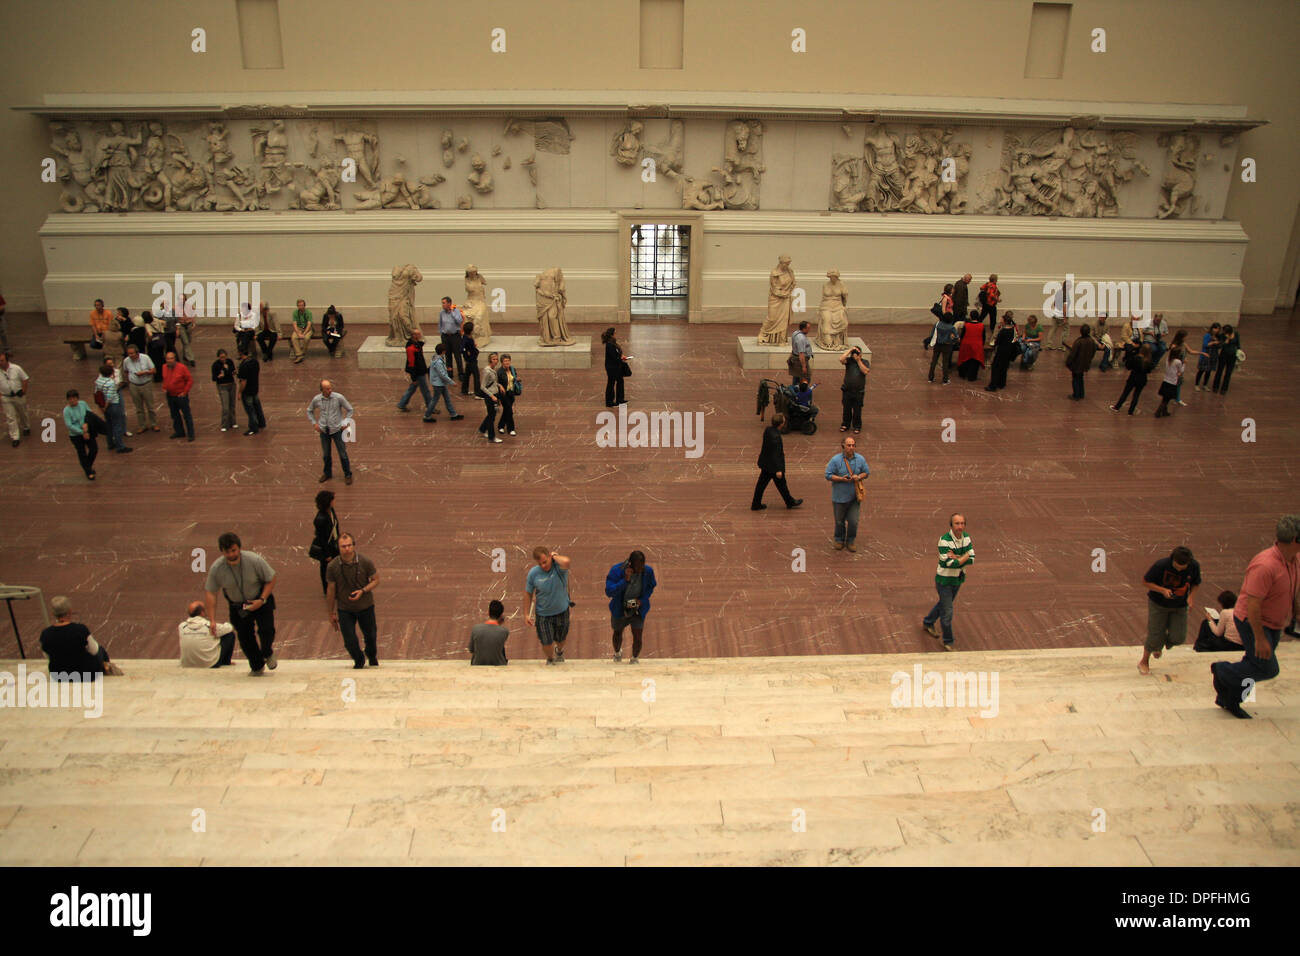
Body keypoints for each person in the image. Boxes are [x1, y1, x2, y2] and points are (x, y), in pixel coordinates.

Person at [1212, 515, 1300, 718]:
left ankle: (1231, 700)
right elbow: (1253, 606)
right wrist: (1260, 638)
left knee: (1254, 664)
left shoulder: (1295, 560)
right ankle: (1222, 670)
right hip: (1254, 622)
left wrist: (1295, 613)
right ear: (1296, 539)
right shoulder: (1265, 565)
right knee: (1268, 668)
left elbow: (1293, 589)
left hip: (1275, 623)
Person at [204, 532, 278, 675]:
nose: (231, 555)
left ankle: (267, 652)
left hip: (259, 600)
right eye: (227, 552)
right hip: (238, 606)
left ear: (239, 548)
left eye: (234, 550)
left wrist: (261, 600)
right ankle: (257, 665)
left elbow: (271, 578)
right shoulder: (217, 568)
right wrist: (212, 619)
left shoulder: (254, 560)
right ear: (222, 551)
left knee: (267, 630)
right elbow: (211, 593)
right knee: (245, 638)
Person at [1138, 545, 1201, 675]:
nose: (1179, 569)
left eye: (1182, 567)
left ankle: (1161, 642)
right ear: (1172, 559)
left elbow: (1196, 583)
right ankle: (1144, 661)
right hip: (1158, 604)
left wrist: (1191, 597)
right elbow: (1145, 582)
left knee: (1179, 637)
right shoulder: (1161, 565)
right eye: (1176, 566)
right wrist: (1162, 590)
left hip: (1180, 606)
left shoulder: (1194, 566)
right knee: (1154, 634)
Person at [325, 532, 380, 668]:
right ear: (338, 548)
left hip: (365, 606)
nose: (347, 549)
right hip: (345, 609)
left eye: (349, 545)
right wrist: (331, 613)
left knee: (371, 636)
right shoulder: (332, 566)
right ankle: (359, 660)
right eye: (343, 546)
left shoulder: (365, 561)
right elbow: (331, 590)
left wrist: (363, 591)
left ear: (354, 546)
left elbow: (376, 580)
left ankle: (371, 655)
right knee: (349, 640)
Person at [922, 513, 974, 651]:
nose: (960, 526)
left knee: (944, 604)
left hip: (957, 580)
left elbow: (972, 558)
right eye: (957, 523)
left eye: (962, 523)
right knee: (948, 611)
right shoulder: (944, 540)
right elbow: (950, 563)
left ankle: (928, 622)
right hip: (944, 581)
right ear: (951, 525)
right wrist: (964, 556)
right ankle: (948, 641)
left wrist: (958, 557)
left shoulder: (966, 538)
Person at [40, 596, 122, 677]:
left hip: (58, 675)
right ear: (70, 611)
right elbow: (94, 650)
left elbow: (47, 655)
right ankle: (106, 666)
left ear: (53, 613)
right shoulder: (80, 630)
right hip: (84, 674)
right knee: (101, 650)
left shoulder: (46, 633)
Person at [605, 550, 658, 663]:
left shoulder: (647, 571)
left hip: (637, 608)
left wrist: (642, 600)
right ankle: (617, 653)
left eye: (642, 566)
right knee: (617, 632)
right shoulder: (616, 571)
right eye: (638, 567)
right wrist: (625, 580)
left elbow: (651, 586)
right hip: (619, 608)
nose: (641, 569)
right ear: (630, 564)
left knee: (638, 636)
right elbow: (609, 592)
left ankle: (634, 659)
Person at [524, 547, 572, 665]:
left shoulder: (559, 568)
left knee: (561, 640)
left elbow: (566, 561)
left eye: (545, 562)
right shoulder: (533, 573)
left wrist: (555, 557)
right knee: (546, 642)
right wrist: (526, 614)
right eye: (540, 564)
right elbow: (528, 593)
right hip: (543, 615)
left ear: (550, 557)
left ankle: (559, 651)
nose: (543, 566)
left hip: (562, 611)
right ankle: (550, 659)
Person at [824, 436, 869, 552]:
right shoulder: (835, 460)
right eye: (849, 445)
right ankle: (839, 539)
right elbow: (828, 475)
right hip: (839, 497)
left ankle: (850, 540)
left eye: (853, 445)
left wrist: (858, 476)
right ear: (843, 446)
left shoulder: (860, 459)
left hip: (854, 497)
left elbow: (866, 472)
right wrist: (840, 479)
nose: (851, 448)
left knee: (853, 521)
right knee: (839, 521)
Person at [307, 379, 354, 484]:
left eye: (330, 388)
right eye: (327, 389)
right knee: (326, 454)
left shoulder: (338, 398)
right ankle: (327, 473)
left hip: (337, 430)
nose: (330, 390)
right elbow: (309, 410)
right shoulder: (317, 399)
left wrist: (345, 422)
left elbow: (350, 409)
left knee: (342, 453)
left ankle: (348, 474)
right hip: (324, 430)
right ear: (322, 390)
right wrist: (314, 423)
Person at [752, 412, 803, 510]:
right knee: (781, 484)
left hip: (766, 463)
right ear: (781, 424)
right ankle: (789, 502)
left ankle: (756, 503)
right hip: (773, 466)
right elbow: (776, 454)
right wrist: (779, 469)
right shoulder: (776, 437)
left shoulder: (768, 430)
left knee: (762, 485)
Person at [179, 600, 235, 668]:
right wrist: (225, 624)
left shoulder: (182, 626)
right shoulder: (208, 626)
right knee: (230, 635)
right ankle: (226, 662)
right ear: (202, 613)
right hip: (210, 664)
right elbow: (229, 628)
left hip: (187, 664)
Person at [93, 360, 131, 453]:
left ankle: (110, 443)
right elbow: (110, 397)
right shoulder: (111, 383)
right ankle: (120, 446)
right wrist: (105, 407)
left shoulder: (98, 381)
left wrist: (101, 407)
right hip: (113, 405)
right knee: (117, 425)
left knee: (109, 425)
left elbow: (96, 393)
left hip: (103, 405)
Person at [63, 389, 99, 480]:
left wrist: (86, 425)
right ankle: (88, 472)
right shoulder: (66, 411)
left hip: (87, 430)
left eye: (74, 398)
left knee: (94, 449)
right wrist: (82, 432)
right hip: (76, 435)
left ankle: (87, 466)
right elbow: (69, 425)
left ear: (77, 398)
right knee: (82, 452)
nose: (72, 401)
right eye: (70, 399)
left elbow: (89, 414)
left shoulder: (83, 404)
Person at [122, 344, 159, 433]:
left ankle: (154, 424)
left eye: (132, 353)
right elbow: (126, 371)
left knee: (150, 406)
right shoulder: (126, 361)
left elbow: (154, 370)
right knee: (138, 408)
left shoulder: (145, 358)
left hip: (146, 384)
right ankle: (142, 425)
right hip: (134, 386)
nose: (130, 355)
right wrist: (130, 381)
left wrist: (145, 372)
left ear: (137, 353)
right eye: (129, 354)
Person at [1111, 342, 1155, 415]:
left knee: (1126, 393)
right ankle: (1131, 411)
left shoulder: (1136, 358)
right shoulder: (1149, 360)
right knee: (1136, 395)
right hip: (1142, 379)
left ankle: (1117, 407)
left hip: (1133, 377)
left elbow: (1128, 366)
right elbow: (1149, 370)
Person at [396, 328, 433, 415]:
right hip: (418, 372)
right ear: (414, 336)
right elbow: (411, 363)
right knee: (425, 390)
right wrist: (414, 377)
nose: (420, 335)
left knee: (412, 388)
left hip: (419, 371)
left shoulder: (417, 345)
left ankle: (402, 403)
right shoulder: (411, 348)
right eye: (418, 334)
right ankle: (431, 407)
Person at [311, 489, 340, 595]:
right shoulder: (320, 519)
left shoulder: (331, 511)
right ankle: (327, 589)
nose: (334, 501)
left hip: (334, 544)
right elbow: (321, 538)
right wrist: (327, 554)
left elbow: (336, 526)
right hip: (326, 548)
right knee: (326, 568)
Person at [162, 351, 195, 441]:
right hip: (170, 395)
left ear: (175, 359)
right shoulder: (164, 367)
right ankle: (179, 431)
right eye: (168, 359)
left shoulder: (182, 367)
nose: (170, 360)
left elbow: (189, 380)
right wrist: (164, 387)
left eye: (171, 358)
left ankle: (191, 433)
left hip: (181, 396)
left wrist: (185, 392)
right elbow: (165, 379)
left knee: (186, 415)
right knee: (174, 415)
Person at [426, 343, 463, 423]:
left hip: (440, 383)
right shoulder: (438, 362)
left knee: (447, 399)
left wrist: (446, 369)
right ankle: (427, 416)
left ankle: (453, 414)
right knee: (435, 400)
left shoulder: (435, 357)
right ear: (443, 351)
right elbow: (442, 374)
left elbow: (440, 370)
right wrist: (452, 382)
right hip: (438, 384)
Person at [0, 351, 30, 447]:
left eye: (2, 360)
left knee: (22, 412)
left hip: (18, 395)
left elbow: (25, 378)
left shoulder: (16, 368)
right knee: (11, 417)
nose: (0, 362)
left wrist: (23, 390)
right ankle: (15, 437)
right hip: (6, 397)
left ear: (7, 360)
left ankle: (26, 427)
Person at [468, 600, 510, 666]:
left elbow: (471, 649)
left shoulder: (476, 629)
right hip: (498, 664)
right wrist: (499, 624)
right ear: (501, 615)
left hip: (477, 664)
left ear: (488, 612)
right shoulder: (504, 631)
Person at [838, 346, 869, 433]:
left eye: (858, 354)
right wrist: (850, 350)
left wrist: (858, 360)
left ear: (861, 354)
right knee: (846, 409)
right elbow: (841, 359)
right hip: (847, 390)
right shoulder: (849, 361)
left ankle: (857, 426)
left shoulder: (865, 362)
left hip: (858, 392)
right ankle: (845, 424)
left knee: (857, 410)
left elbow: (865, 371)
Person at [985, 312, 1018, 391]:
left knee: (996, 368)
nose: (1000, 320)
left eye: (1001, 319)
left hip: (1001, 351)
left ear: (1004, 321)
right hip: (1008, 351)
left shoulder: (1003, 331)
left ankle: (993, 385)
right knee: (1004, 367)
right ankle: (1001, 383)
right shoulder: (1012, 329)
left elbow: (997, 342)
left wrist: (995, 343)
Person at [236, 346, 265, 436]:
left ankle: (253, 427)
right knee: (257, 406)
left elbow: (244, 381)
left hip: (247, 390)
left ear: (240, 353)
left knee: (250, 410)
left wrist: (240, 392)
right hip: (255, 388)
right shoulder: (255, 362)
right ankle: (261, 423)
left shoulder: (243, 365)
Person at [1064, 323, 1097, 400]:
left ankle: (1076, 395)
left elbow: (1073, 354)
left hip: (1077, 364)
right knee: (1081, 378)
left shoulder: (1079, 342)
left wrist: (1068, 362)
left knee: (1075, 379)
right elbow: (1093, 352)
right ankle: (1081, 394)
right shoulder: (1091, 341)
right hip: (1085, 363)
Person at [438, 296, 466, 383]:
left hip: (455, 336)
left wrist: (452, 312)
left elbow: (459, 321)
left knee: (457, 355)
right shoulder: (442, 313)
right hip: (445, 336)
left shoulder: (456, 311)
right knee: (447, 355)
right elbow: (440, 324)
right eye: (442, 303)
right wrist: (441, 333)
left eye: (444, 303)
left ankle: (461, 373)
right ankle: (449, 372)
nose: (443, 305)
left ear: (449, 303)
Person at [1153, 345, 1185, 418]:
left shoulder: (1168, 359)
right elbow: (1181, 370)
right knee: (1166, 400)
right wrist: (1185, 364)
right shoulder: (1178, 361)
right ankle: (1158, 411)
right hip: (1172, 382)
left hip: (1166, 381)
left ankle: (1164, 411)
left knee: (1165, 398)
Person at [478, 351, 503, 442]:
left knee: (491, 415)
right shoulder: (487, 371)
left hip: (495, 394)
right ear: (490, 360)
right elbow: (483, 386)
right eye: (493, 359)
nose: (495, 361)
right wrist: (491, 396)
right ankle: (491, 437)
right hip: (490, 396)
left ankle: (482, 428)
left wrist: (499, 385)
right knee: (491, 417)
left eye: (496, 359)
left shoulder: (493, 370)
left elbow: (492, 382)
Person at [927, 311, 957, 385]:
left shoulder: (937, 324)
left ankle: (930, 377)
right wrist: (952, 341)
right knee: (945, 362)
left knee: (934, 361)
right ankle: (945, 379)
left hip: (937, 344)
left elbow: (932, 334)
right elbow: (956, 337)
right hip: (947, 345)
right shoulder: (951, 327)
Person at [602, 327, 630, 406]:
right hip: (612, 368)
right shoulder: (609, 344)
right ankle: (609, 402)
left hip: (617, 366)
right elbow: (613, 357)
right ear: (612, 334)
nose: (616, 334)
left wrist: (621, 356)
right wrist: (621, 357)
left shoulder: (613, 342)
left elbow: (616, 353)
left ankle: (620, 399)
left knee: (620, 381)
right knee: (611, 383)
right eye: (615, 332)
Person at [956, 308, 985, 381]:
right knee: (975, 362)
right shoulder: (982, 325)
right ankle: (972, 377)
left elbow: (962, 335)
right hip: (977, 345)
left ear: (971, 317)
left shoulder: (967, 325)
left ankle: (963, 374)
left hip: (966, 345)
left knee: (965, 360)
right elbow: (983, 337)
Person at [212, 348, 237, 432]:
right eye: (221, 357)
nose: (223, 359)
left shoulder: (229, 362)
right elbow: (214, 378)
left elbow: (232, 371)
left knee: (232, 405)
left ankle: (233, 422)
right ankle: (224, 424)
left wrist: (230, 370)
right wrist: (218, 376)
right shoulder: (215, 365)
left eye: (224, 357)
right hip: (222, 386)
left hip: (231, 385)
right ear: (218, 357)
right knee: (225, 406)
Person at [1211, 324, 1240, 395]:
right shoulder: (1223, 336)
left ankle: (1224, 388)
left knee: (1228, 373)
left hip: (1232, 356)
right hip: (1224, 355)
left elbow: (1238, 344)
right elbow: (1220, 345)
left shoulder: (1236, 334)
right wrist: (1226, 341)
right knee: (1219, 371)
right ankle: (1215, 386)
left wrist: (1238, 353)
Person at [1193, 322, 1223, 391]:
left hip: (1213, 355)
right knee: (1201, 370)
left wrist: (1218, 343)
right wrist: (1213, 342)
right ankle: (1196, 384)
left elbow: (1220, 346)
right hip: (1206, 354)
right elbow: (1205, 344)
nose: (1216, 330)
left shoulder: (1218, 336)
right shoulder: (1207, 335)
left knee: (1208, 371)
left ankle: (1205, 385)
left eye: (1218, 329)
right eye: (1215, 328)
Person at [497, 353, 521, 436]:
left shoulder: (512, 369)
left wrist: (517, 379)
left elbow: (514, 378)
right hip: (504, 394)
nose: (507, 362)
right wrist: (500, 386)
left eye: (508, 360)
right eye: (505, 361)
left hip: (511, 393)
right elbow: (496, 382)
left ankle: (501, 426)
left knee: (506, 410)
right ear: (502, 362)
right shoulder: (499, 372)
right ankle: (511, 429)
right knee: (509, 411)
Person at [144, 311, 167, 381]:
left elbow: (150, 334)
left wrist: (150, 340)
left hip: (154, 344)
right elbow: (164, 323)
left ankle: (157, 377)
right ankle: (164, 374)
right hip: (161, 340)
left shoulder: (147, 324)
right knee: (161, 358)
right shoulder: (156, 320)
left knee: (155, 360)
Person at [977, 274, 1000, 343]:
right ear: (995, 280)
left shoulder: (987, 284)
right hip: (991, 304)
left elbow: (981, 288)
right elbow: (991, 294)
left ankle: (976, 325)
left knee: (982, 316)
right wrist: (997, 299)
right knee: (993, 319)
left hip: (985, 304)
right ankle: (993, 332)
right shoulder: (992, 286)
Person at [460, 320, 481, 397]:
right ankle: (477, 393)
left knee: (467, 375)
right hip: (471, 360)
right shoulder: (466, 339)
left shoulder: (467, 337)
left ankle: (464, 390)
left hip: (470, 360)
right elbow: (462, 349)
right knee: (476, 376)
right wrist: (467, 353)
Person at [290, 299, 313, 364]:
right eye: (299, 305)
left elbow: (309, 324)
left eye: (302, 305)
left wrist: (304, 333)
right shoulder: (295, 313)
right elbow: (294, 324)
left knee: (306, 338)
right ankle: (299, 355)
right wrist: (298, 332)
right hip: (299, 328)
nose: (301, 307)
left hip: (307, 329)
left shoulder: (308, 312)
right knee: (293, 337)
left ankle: (303, 352)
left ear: (304, 306)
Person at [790, 320, 813, 385]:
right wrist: (804, 366)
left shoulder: (795, 333)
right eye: (808, 328)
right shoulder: (801, 338)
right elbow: (801, 353)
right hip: (800, 360)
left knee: (796, 376)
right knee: (807, 377)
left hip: (795, 357)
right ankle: (802, 391)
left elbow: (794, 347)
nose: (809, 330)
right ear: (804, 328)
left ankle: (795, 390)